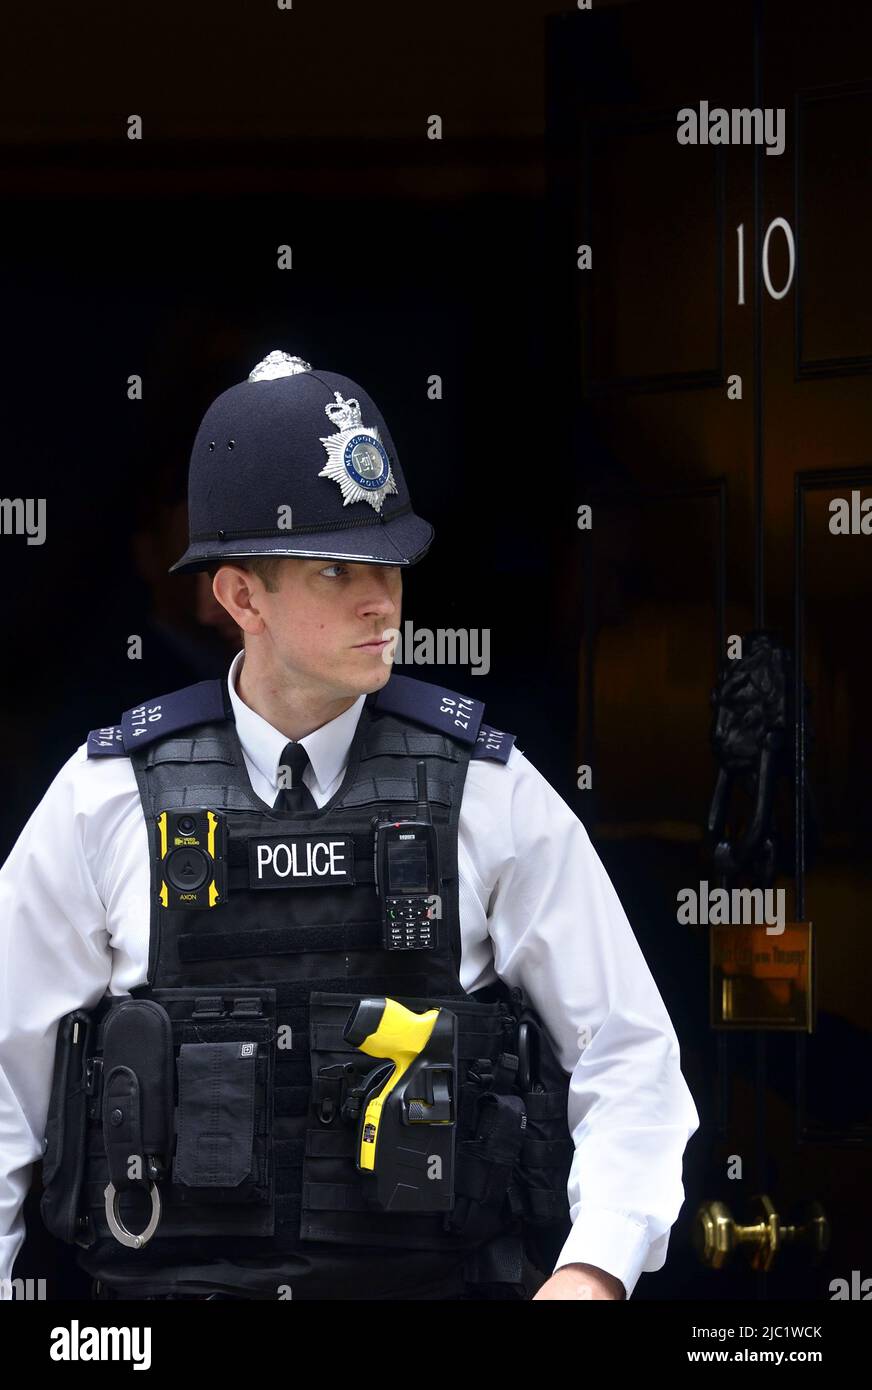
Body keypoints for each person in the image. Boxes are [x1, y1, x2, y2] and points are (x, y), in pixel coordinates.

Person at [0, 350, 699, 1301]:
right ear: (240, 596)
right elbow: (4, 1086)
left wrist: (593, 1270)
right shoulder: (107, 796)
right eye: (336, 570)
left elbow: (629, 1055)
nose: (383, 599)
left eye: (392, 563)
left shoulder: (485, 792)